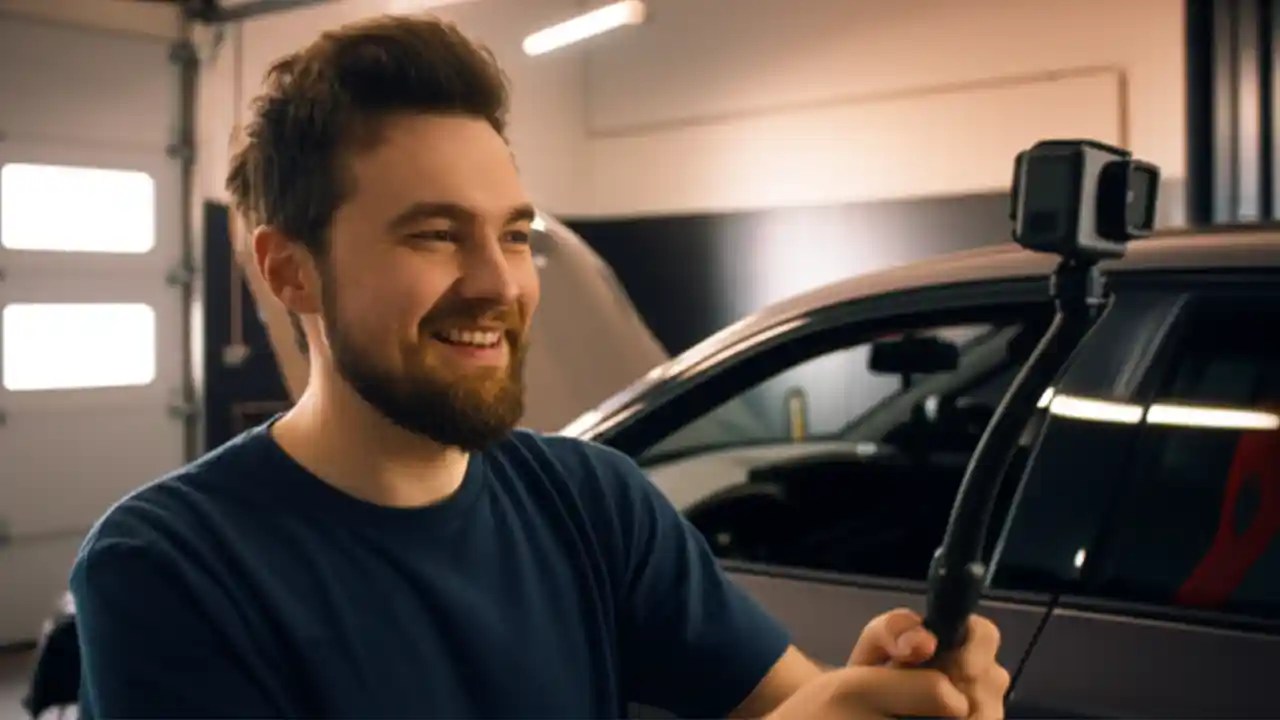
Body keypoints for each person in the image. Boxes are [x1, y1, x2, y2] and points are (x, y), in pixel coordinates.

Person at [69, 13, 1010, 719]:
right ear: (290, 271)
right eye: (435, 234)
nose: (498, 284)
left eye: (516, 236)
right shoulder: (170, 566)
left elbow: (792, 704)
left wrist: (883, 694)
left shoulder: (591, 501)